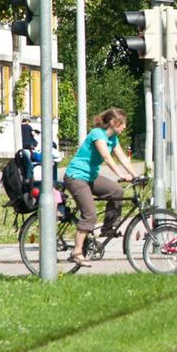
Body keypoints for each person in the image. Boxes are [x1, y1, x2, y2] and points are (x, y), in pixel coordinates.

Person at [63, 107, 135, 267]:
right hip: (76, 177)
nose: (124, 127)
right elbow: (107, 157)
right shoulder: (97, 134)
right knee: (90, 214)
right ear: (114, 123)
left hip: (91, 177)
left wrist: (136, 175)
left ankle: (108, 228)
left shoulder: (113, 139)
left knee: (117, 191)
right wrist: (121, 175)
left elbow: (122, 157)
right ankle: (77, 252)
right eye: (123, 124)